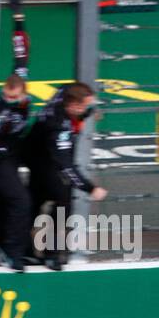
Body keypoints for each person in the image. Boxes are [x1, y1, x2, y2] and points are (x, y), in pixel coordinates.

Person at [23, 81, 108, 271]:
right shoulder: (59, 127)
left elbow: (72, 87)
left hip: (37, 153)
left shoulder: (65, 93)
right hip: (43, 160)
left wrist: (88, 112)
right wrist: (91, 188)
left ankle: (28, 250)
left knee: (36, 202)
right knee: (62, 201)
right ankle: (50, 254)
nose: (88, 108)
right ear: (73, 105)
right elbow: (66, 166)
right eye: (85, 106)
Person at [0, 75, 31, 272]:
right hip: (2, 158)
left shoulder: (24, 100)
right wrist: (0, 149)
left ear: (23, 94)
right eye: (6, 96)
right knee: (21, 201)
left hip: (18, 149)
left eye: (13, 97)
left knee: (6, 197)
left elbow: (21, 60)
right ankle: (12, 252)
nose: (8, 100)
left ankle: (4, 240)